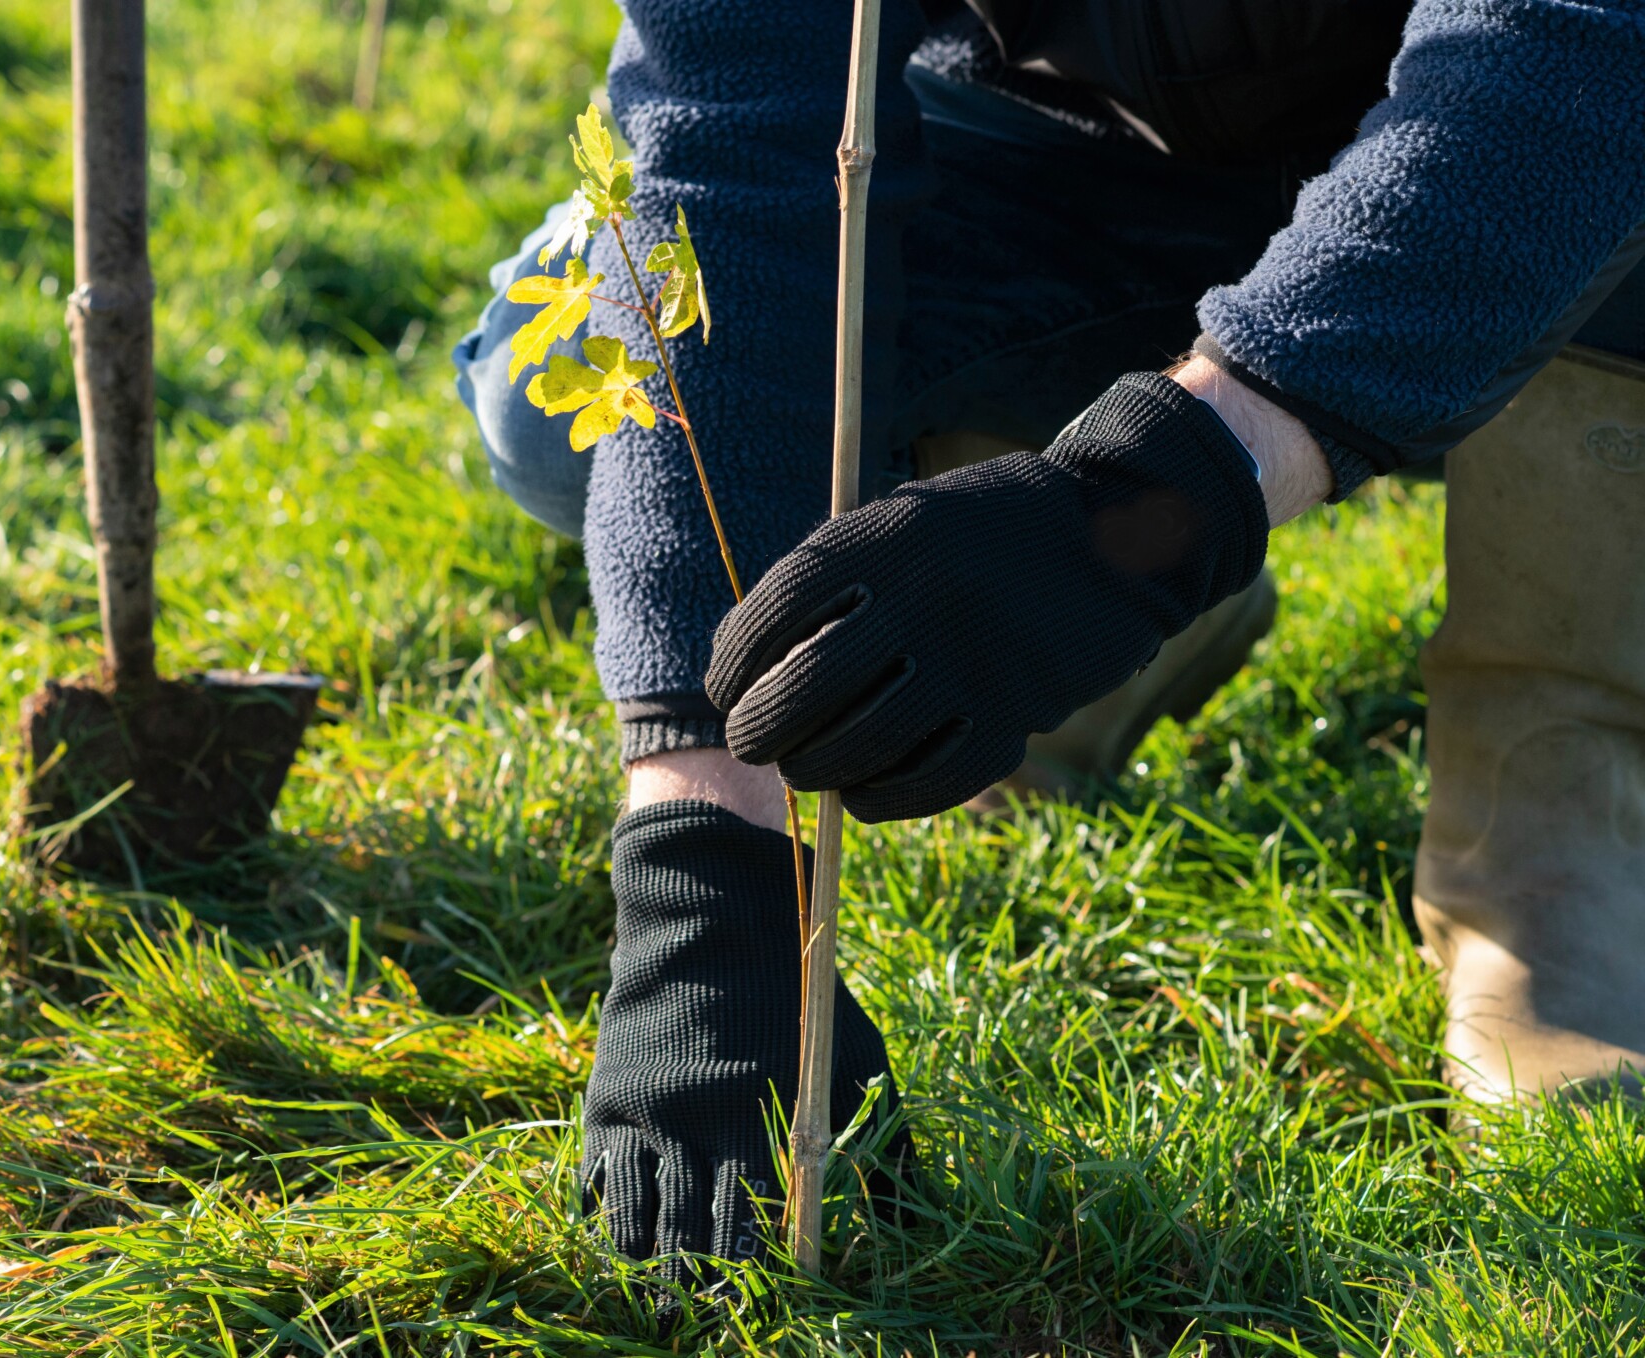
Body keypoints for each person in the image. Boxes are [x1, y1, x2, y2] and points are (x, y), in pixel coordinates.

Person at [454, 0, 1645, 1262]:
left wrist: (1153, 501)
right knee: (565, 374)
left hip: (1541, 132)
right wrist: (704, 826)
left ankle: (1559, 807)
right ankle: (1083, 581)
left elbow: (1573, 50)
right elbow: (735, 143)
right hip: (1055, 148)